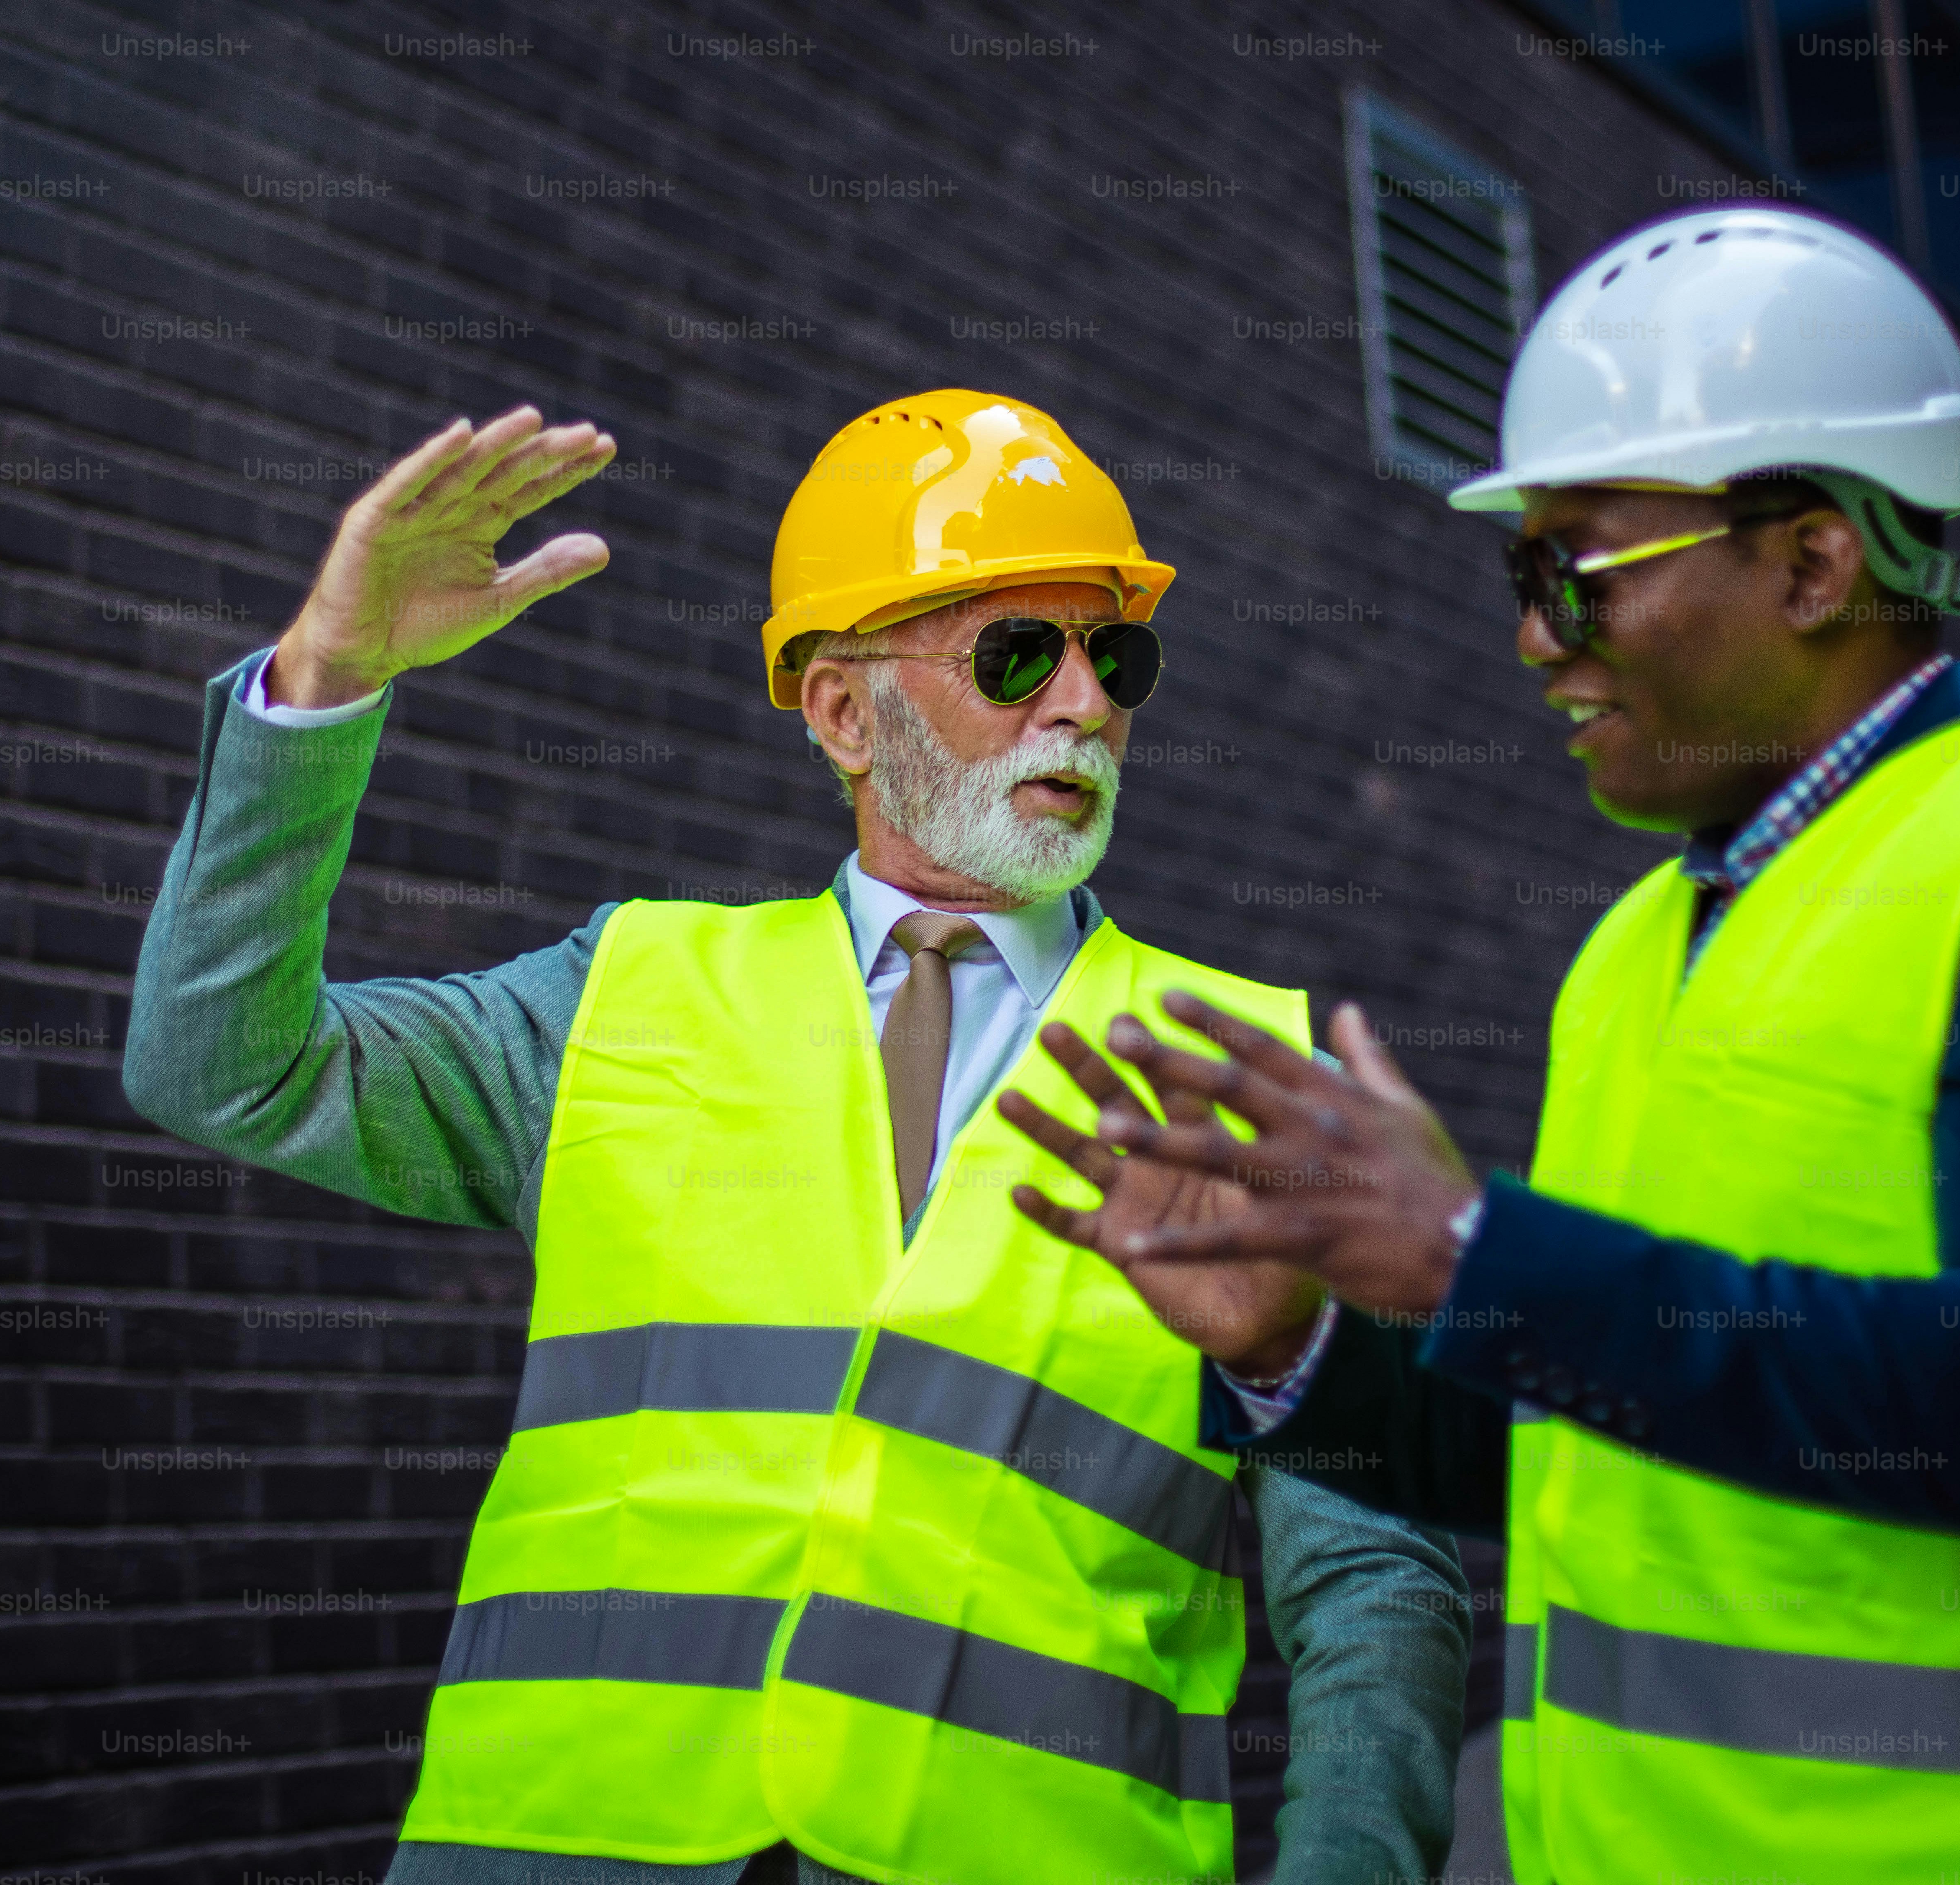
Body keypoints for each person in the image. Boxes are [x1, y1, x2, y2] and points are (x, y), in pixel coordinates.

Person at [999, 208, 1960, 1885]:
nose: (1535, 636)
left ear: (1815, 563)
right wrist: (1300, 1357)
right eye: (1517, 574)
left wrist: (1480, 1255)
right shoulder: (1629, 950)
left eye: (1576, 571)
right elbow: (1601, 1446)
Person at [123, 391, 1471, 1885]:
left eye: (1116, 653)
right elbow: (220, 1067)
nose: (1083, 703)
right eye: (1016, 652)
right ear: (843, 711)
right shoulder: (617, 996)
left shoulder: (1249, 1074)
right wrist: (324, 680)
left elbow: (1372, 1568)